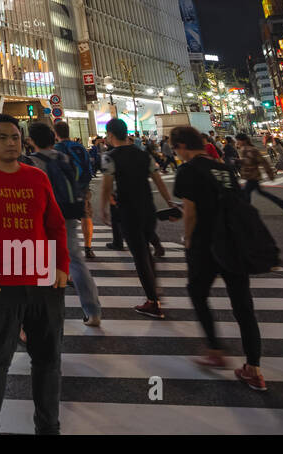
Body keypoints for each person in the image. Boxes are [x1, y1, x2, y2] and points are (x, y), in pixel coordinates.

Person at [0, 114, 69, 435]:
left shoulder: (37, 177)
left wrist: (62, 266)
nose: (11, 143)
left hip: (43, 280)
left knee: (48, 360)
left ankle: (48, 427)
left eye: (16, 137)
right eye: (3, 137)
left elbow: (55, 225)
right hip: (0, 280)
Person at [170, 126, 267, 391]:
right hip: (233, 241)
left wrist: (187, 239)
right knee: (243, 305)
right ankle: (254, 369)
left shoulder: (187, 171)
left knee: (197, 292)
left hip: (205, 244)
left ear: (182, 146)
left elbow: (191, 211)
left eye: (175, 149)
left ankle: (214, 349)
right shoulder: (223, 169)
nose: (176, 154)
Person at [99, 118, 179, 319]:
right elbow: (158, 180)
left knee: (140, 256)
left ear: (110, 135)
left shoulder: (109, 157)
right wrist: (169, 201)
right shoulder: (144, 155)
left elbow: (107, 185)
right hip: (147, 209)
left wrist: (103, 207)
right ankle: (154, 291)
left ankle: (153, 301)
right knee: (146, 252)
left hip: (128, 211)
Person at [28, 122, 101, 327]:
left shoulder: (31, 163)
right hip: (67, 214)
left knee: (41, 263)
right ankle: (93, 311)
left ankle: (45, 316)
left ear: (31, 141)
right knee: (75, 260)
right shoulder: (64, 157)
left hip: (42, 217)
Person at [53, 121, 96, 259]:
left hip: (63, 192)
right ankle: (88, 247)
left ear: (56, 134)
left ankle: (67, 250)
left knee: (64, 221)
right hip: (82, 187)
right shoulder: (80, 147)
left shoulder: (55, 149)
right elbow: (89, 167)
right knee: (86, 216)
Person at [235, 133, 283, 215]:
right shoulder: (244, 149)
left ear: (244, 140)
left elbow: (262, 162)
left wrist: (270, 174)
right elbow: (246, 161)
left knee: (246, 193)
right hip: (249, 175)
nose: (237, 142)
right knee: (258, 192)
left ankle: (247, 211)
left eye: (238, 140)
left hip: (253, 175)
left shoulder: (252, 149)